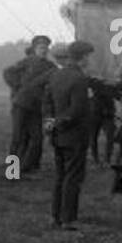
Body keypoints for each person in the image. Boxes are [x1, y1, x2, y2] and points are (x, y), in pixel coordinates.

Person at [43, 40, 96, 231]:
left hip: (58, 135)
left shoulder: (56, 75)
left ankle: (55, 216)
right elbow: (77, 110)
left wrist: (51, 122)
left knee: (60, 176)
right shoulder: (79, 79)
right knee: (73, 177)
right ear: (82, 58)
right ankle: (68, 219)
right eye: (89, 56)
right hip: (74, 135)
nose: (90, 60)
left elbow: (47, 101)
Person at [3, 34, 56, 174]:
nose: (44, 50)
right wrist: (17, 86)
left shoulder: (51, 67)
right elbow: (8, 72)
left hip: (36, 108)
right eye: (40, 48)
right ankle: (12, 171)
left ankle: (26, 167)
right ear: (34, 49)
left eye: (46, 48)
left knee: (37, 139)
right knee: (17, 138)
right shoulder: (26, 62)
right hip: (20, 105)